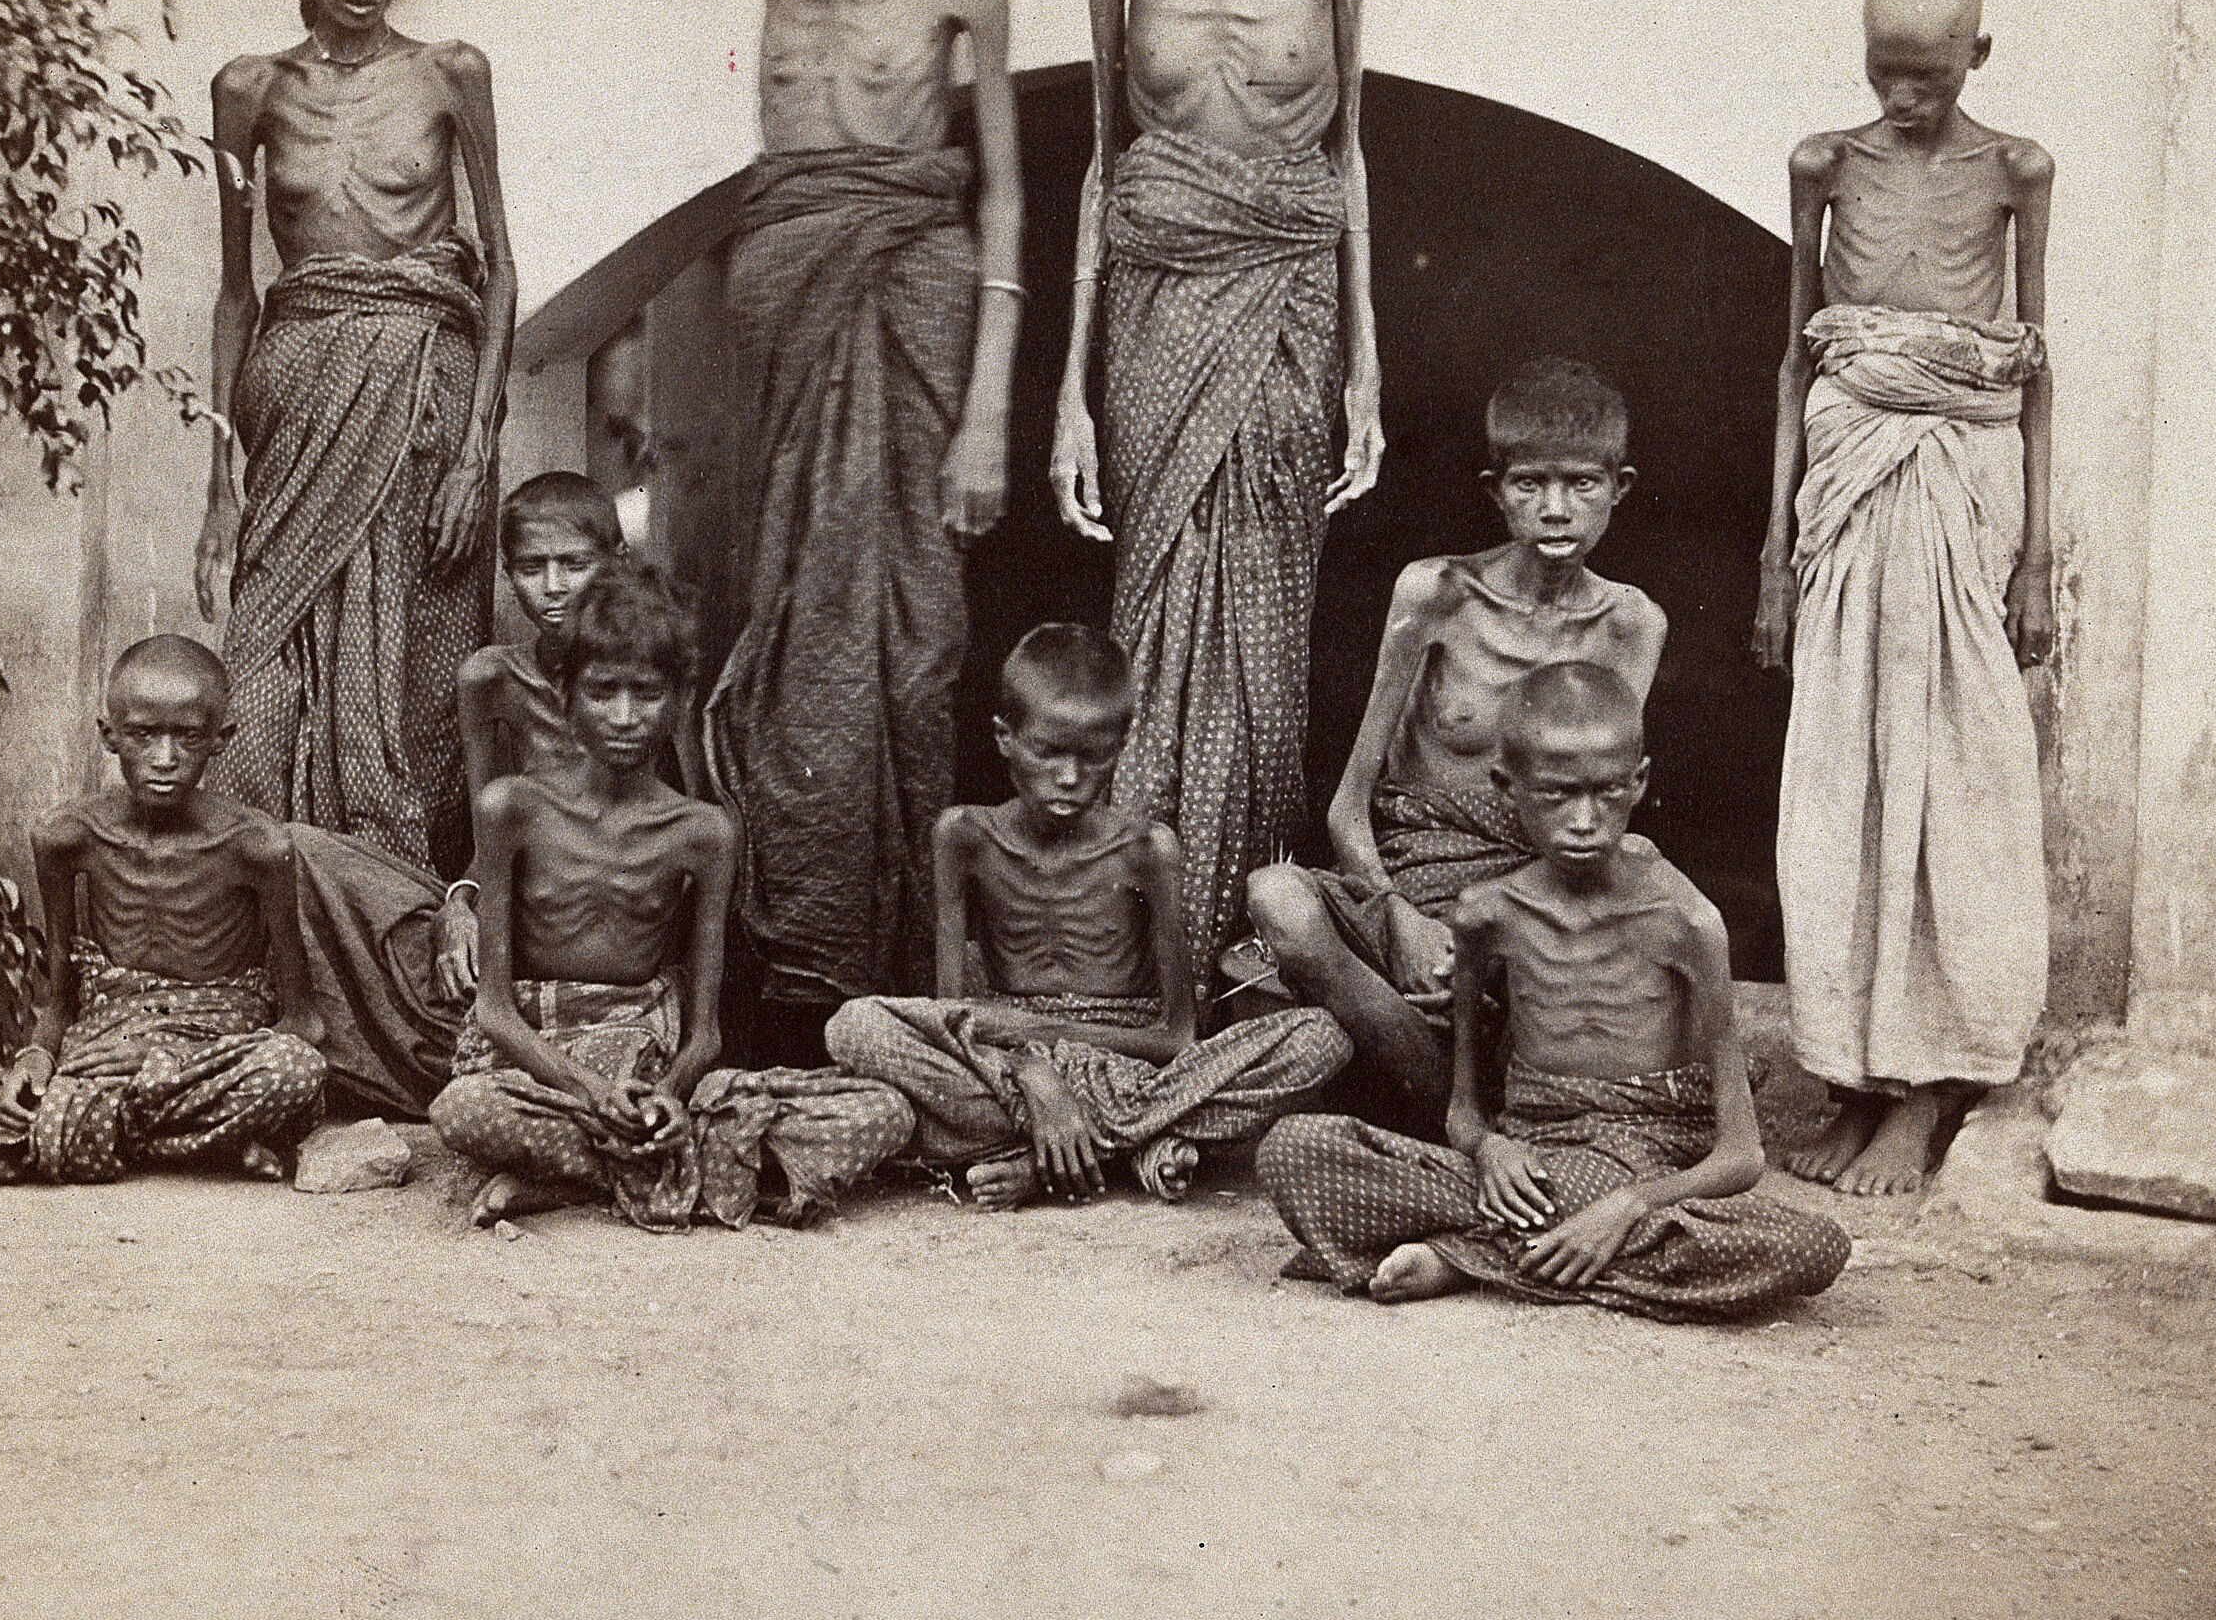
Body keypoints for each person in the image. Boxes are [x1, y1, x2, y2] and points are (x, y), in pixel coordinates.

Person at [642, 0, 1023, 1061]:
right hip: (795, 278)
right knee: (799, 604)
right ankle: (800, 966)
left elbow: (1004, 196)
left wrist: (987, 409)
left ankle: (908, 958)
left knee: (916, 641)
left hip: (918, 279)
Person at [1051, 0, 1381, 974]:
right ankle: (1135, 945)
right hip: (1155, 306)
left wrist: (1367, 364)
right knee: (1151, 600)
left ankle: (1237, 945)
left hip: (1290, 303)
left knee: (1265, 614)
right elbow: (1098, 159)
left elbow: (1347, 156)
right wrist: (1070, 398)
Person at [192, 0, 515, 1116]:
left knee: (418, 712)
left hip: (426, 402)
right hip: (296, 387)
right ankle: (284, 1029)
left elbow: (499, 269)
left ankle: (403, 1039)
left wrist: (480, 444)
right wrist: (222, 483)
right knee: (262, 708)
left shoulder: (451, 76)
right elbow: (234, 293)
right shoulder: (246, 89)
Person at [1256, 664, 1850, 1317]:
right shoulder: (1486, 915)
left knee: (1811, 1246)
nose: (1585, 820)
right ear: (1508, 789)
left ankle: (1465, 1257)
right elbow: (1465, 1109)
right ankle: (1554, 1248)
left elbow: (1741, 1154)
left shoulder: (1686, 921)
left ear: (1641, 782)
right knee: (1292, 1150)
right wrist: (1489, 1146)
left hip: (1647, 1158)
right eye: (1558, 794)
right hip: (1531, 1159)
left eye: (1608, 791)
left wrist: (1627, 1206)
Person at [1750, 0, 2054, 1196]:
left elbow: (2033, 364)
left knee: (1955, 781)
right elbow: (1795, 363)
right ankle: (1846, 1073)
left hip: (1960, 490)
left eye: (1926, 75)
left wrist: (2034, 556)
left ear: (1975, 56)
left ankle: (1929, 1093)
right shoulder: (1826, 164)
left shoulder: (2015, 170)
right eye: (1884, 73)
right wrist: (1774, 550)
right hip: (1848, 485)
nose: (1902, 99)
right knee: (1838, 780)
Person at [1240, 359, 1665, 1132]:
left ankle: (1416, 1092)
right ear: (1495, 490)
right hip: (1403, 883)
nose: (1556, 509)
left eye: (1581, 485)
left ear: (1621, 488)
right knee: (1278, 897)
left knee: (1641, 871)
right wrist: (1399, 915)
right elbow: (1348, 807)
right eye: (1530, 484)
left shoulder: (1631, 624)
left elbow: (1599, 817)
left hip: (1531, 893)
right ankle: (1455, 1105)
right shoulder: (1435, 593)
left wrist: (1493, 919)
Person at [430, 560, 914, 1231]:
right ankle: (671, 1169)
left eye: (647, 693)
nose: (625, 717)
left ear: (679, 699)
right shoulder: (512, 807)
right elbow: (496, 1013)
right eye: (603, 692)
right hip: (538, 1061)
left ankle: (580, 1175)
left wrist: (666, 1097)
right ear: (565, 694)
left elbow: (704, 1033)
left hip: (647, 1053)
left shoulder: (704, 831)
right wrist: (594, 1094)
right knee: (463, 1109)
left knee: (884, 1111)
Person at [824, 625, 1350, 1209]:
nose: (1070, 777)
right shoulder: (964, 835)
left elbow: (1179, 1034)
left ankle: (1054, 1155)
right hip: (1003, 1066)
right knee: (855, 1025)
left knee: (1320, 1037)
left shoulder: (1148, 849)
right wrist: (1033, 1073)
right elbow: (954, 1017)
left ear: (1120, 746)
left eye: (1093, 756)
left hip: (1126, 1061)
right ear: (1005, 738)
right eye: (1048, 751)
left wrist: (1049, 1054)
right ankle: (1127, 1145)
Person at [0, 638, 326, 1188]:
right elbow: (59, 1001)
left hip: (205, 1059)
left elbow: (301, 1018)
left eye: (186, 737)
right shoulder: (67, 838)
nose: (165, 759)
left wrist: (180, 1068)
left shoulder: (256, 847)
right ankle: (180, 1141)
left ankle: (79, 1133)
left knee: (293, 1071)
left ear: (220, 739)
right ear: (109, 735)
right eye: (143, 735)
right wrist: (37, 1059)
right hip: (99, 1059)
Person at [430, 471, 627, 1003]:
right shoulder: (490, 680)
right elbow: (486, 839)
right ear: (507, 572)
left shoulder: (644, 682)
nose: (554, 587)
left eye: (575, 565)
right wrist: (458, 903)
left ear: (617, 559)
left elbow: (683, 826)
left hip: (621, 928)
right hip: (515, 910)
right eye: (530, 568)